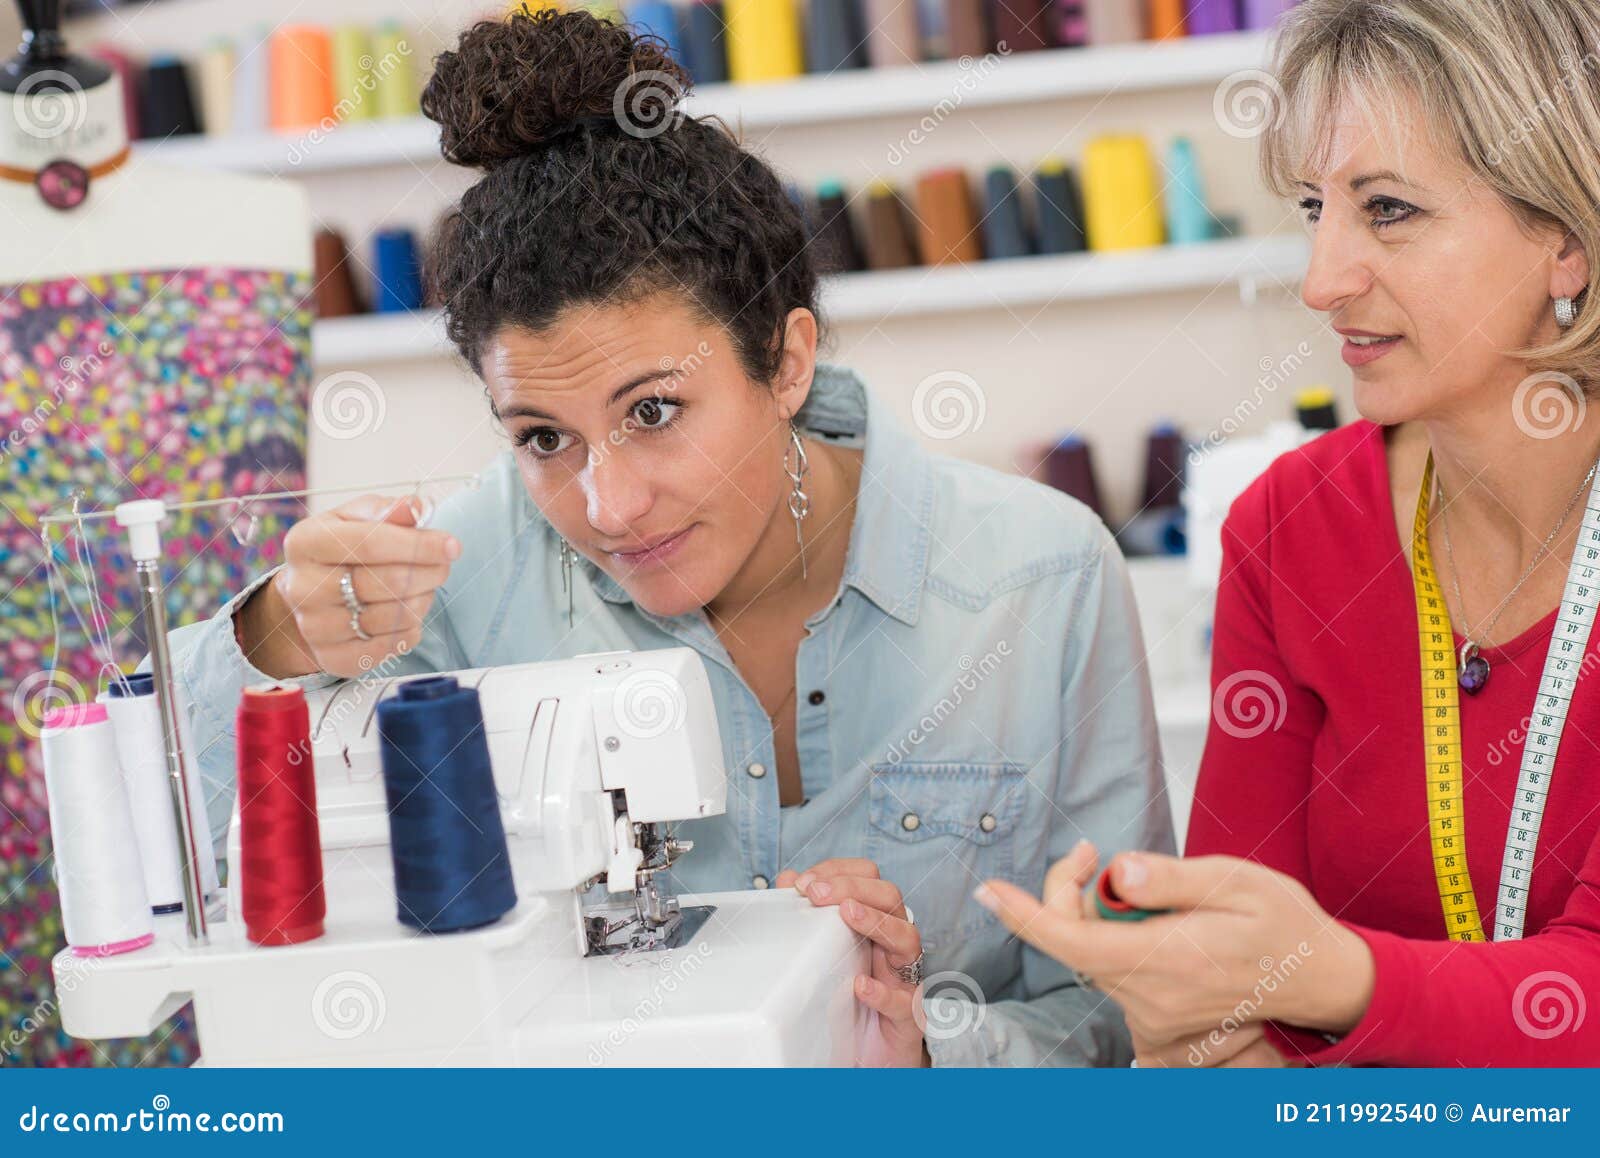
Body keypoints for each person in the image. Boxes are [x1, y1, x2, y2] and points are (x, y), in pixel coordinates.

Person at [164, 9, 1172, 1067]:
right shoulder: (461, 579)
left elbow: (1126, 1014)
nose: (608, 505)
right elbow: (202, 852)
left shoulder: (1039, 579)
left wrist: (937, 1050)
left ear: (786, 361)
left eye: (653, 411)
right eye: (543, 437)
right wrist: (278, 635)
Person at [979, 0, 1600, 1066]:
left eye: (1389, 210)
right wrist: (1172, 972)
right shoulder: (1292, 525)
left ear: (1567, 244)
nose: (1321, 281)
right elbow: (1237, 938)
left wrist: (1329, 977)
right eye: (1316, 208)